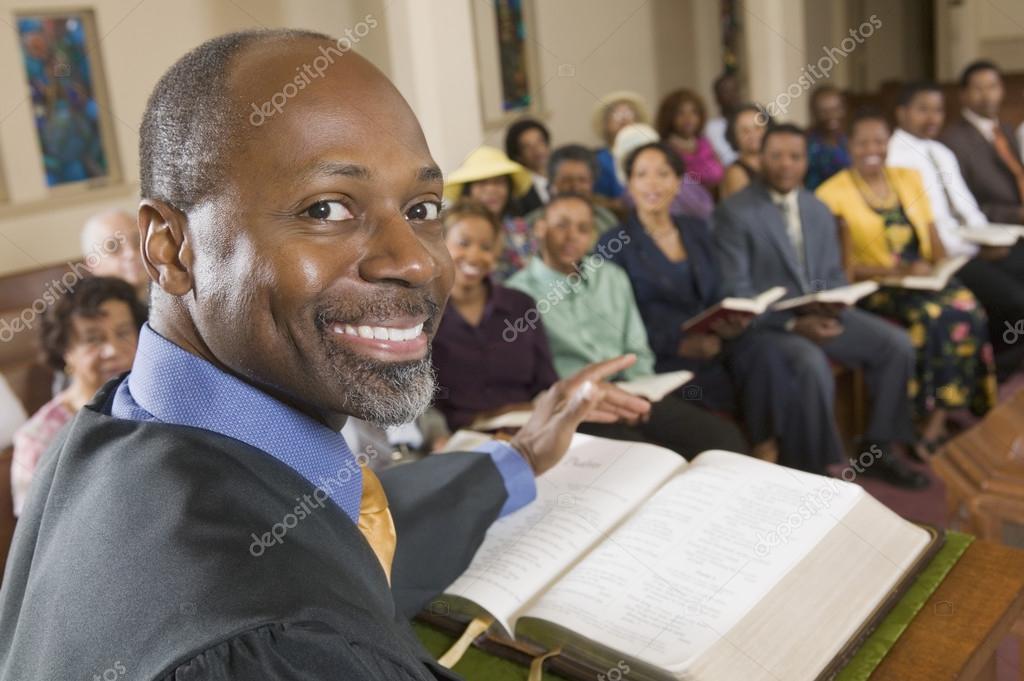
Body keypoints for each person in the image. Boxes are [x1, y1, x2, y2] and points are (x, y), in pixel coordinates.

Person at [0, 30, 652, 681]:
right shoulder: (269, 648)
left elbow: (328, 535)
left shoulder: (111, 431)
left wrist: (522, 454)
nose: (418, 259)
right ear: (170, 248)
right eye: (327, 208)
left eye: (423, 207)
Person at [601, 141, 842, 471]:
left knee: (771, 355)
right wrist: (680, 342)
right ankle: (758, 460)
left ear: (678, 181)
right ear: (630, 184)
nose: (653, 184)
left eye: (663, 174)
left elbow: (718, 288)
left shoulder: (696, 229)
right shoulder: (615, 244)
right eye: (642, 175)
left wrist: (731, 319)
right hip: (667, 354)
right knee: (728, 385)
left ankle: (779, 455)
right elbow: (618, 320)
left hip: (718, 337)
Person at [714, 123, 928, 489]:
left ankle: (879, 448)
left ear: (805, 161)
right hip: (767, 328)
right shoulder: (735, 212)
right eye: (776, 155)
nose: (786, 164)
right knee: (809, 363)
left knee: (896, 344)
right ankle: (814, 473)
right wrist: (793, 325)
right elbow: (737, 291)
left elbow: (831, 275)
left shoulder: (816, 208)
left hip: (820, 313)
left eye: (795, 156)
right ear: (760, 158)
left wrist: (832, 305)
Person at [507, 193, 750, 459]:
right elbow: (533, 378)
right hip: (575, 407)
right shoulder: (518, 294)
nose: (571, 236)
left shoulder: (612, 277)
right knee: (643, 458)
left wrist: (639, 395)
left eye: (583, 228)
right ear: (541, 228)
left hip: (630, 390)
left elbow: (637, 348)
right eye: (561, 225)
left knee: (725, 440)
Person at [816, 110, 997, 453]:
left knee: (970, 307)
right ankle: (918, 419)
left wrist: (944, 266)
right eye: (863, 142)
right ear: (849, 146)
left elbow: (931, 234)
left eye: (880, 141)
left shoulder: (908, 178)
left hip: (924, 278)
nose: (873, 148)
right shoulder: (831, 193)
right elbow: (844, 267)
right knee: (933, 318)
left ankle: (943, 414)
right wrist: (898, 273)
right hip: (878, 287)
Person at [888, 81, 1024, 379]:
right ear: (902, 113)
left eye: (938, 110)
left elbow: (967, 207)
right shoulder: (895, 158)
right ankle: (991, 370)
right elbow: (925, 227)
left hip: (972, 242)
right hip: (946, 257)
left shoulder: (941, 151)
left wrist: (990, 235)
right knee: (1016, 301)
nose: (932, 118)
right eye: (923, 109)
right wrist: (977, 249)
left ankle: (995, 360)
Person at [11, 276, 145, 516]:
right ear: (64, 350)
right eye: (93, 339)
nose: (112, 350)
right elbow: (36, 532)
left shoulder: (158, 405)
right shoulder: (38, 438)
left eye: (123, 333)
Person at [432, 201, 559, 430]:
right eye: (463, 243)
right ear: (440, 245)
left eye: (486, 247)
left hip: (526, 430)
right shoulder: (422, 315)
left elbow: (547, 383)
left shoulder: (521, 305)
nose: (474, 255)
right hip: (457, 438)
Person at [941, 60, 1024, 225]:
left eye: (993, 87)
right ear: (963, 94)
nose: (987, 95)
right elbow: (960, 202)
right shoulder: (953, 140)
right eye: (978, 89)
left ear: (1002, 90)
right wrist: (1016, 215)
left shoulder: (1007, 131)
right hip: (995, 232)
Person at [444, 145, 534, 280]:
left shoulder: (520, 228)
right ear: (468, 191)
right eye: (482, 183)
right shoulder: (452, 230)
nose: (491, 190)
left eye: (499, 182)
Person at [613, 123, 713, 220]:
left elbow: (705, 208)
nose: (652, 181)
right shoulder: (631, 196)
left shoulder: (682, 179)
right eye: (642, 174)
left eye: (662, 173)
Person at [524, 144, 619, 234]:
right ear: (552, 183)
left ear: (592, 182)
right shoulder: (531, 224)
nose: (575, 187)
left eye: (582, 180)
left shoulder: (607, 220)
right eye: (567, 180)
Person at [655, 89, 724, 192]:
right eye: (680, 113)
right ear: (669, 117)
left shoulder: (705, 143)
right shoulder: (664, 150)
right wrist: (706, 178)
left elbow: (720, 172)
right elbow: (681, 181)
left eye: (694, 112)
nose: (688, 118)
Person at [590, 90, 650, 199]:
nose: (624, 119)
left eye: (628, 113)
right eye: (616, 114)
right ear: (606, 123)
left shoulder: (651, 155)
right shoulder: (599, 159)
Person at [80, 210, 150, 301]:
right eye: (113, 247)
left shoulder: (170, 298)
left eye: (137, 241)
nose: (131, 253)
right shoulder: (90, 312)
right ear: (93, 263)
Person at [720, 103, 773, 199]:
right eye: (745, 131)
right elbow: (743, 211)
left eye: (758, 128)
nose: (752, 135)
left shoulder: (774, 164)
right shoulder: (735, 173)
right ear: (734, 136)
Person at [805, 85, 850, 190]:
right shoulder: (807, 143)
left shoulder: (851, 139)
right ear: (814, 113)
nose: (831, 115)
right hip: (817, 201)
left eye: (836, 109)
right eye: (823, 111)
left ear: (844, 109)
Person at [504, 117, 551, 214]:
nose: (537, 150)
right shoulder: (518, 190)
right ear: (518, 156)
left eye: (540, 142)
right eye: (527, 146)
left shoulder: (559, 176)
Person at [705, 71, 742, 167]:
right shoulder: (711, 128)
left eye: (735, 90)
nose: (732, 95)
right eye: (726, 91)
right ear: (717, 98)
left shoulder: (753, 121)